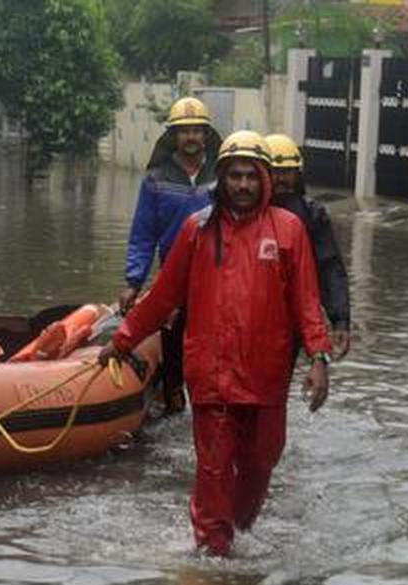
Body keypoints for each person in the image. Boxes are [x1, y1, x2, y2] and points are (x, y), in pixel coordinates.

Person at [98, 130, 333, 558]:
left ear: (265, 179)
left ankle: (236, 531)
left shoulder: (289, 230)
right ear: (221, 178)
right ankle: (213, 551)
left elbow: (306, 301)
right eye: (235, 176)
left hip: (267, 376)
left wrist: (319, 357)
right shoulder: (197, 230)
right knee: (213, 469)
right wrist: (123, 339)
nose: (243, 185)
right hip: (212, 375)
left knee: (262, 462)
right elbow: (163, 297)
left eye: (251, 176)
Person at [118, 96, 217, 414]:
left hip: (217, 275)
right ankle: (174, 399)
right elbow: (143, 234)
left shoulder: (224, 175)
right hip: (174, 275)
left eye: (197, 130)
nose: (191, 137)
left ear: (206, 135)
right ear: (173, 135)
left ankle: (211, 402)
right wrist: (134, 281)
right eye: (184, 131)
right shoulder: (156, 180)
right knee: (173, 342)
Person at [265, 133, 352, 359]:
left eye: (287, 172)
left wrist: (340, 320)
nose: (280, 179)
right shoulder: (244, 211)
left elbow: (329, 267)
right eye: (275, 172)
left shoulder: (312, 215)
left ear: (298, 174)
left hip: (291, 317)